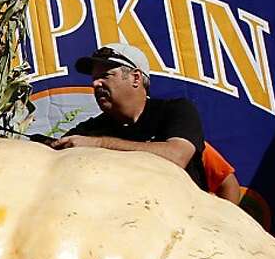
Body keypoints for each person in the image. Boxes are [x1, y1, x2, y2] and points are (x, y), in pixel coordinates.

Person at [51, 43, 207, 190]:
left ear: (136, 78)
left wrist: (99, 144)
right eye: (94, 79)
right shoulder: (90, 129)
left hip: (185, 214)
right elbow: (51, 158)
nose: (96, 84)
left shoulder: (175, 110)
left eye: (105, 76)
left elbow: (176, 156)